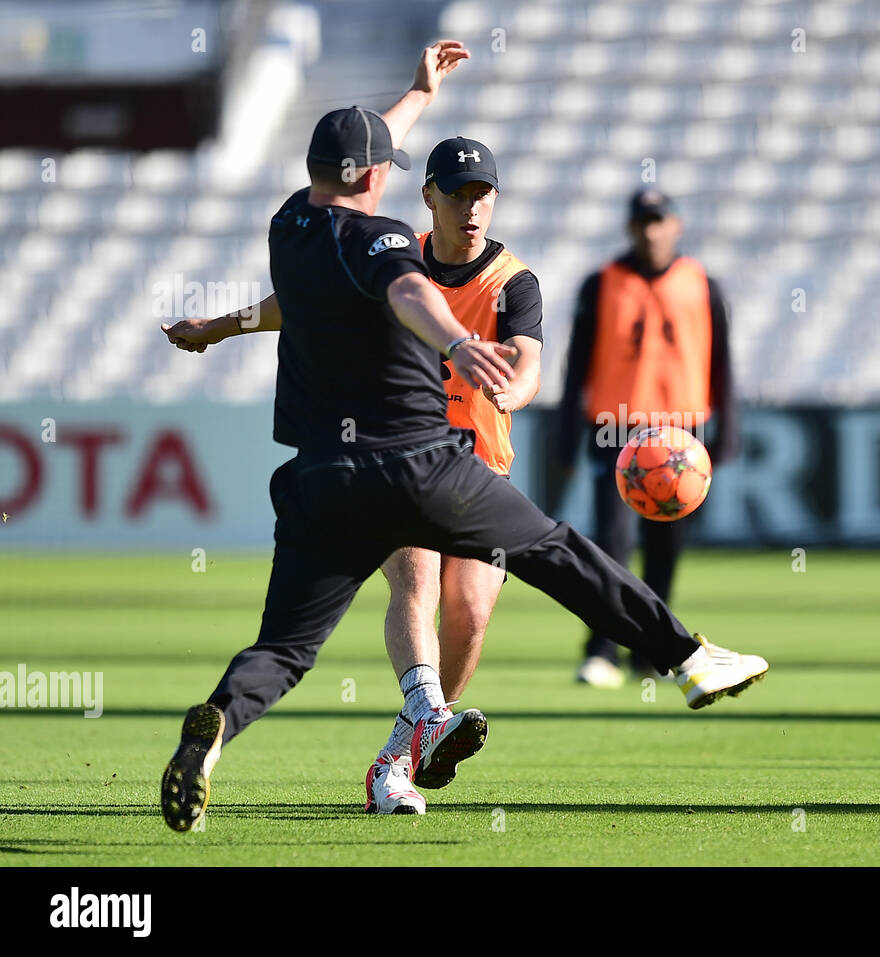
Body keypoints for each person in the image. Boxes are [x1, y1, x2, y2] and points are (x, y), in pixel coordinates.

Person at [158, 44, 768, 834]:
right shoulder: (386, 243)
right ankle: (686, 658)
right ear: (385, 181)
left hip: (320, 482)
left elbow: (307, 269)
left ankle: (218, 724)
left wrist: (416, 93)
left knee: (283, 648)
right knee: (554, 549)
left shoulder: (292, 226)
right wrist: (453, 342)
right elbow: (411, 289)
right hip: (419, 465)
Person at [163, 128, 543, 815]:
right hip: (400, 450)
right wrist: (220, 325)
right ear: (428, 196)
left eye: (483, 193)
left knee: (471, 611)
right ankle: (411, 748)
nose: (472, 206)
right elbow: (301, 304)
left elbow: (528, 359)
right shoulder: (390, 252)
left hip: (479, 466)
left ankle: (405, 744)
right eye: (458, 193)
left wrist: (511, 391)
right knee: (416, 581)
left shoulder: (512, 280)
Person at [556, 189, 738, 688]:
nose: (651, 231)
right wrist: (566, 437)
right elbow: (577, 367)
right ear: (630, 228)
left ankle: (649, 653)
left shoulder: (703, 284)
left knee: (665, 552)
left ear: (675, 224)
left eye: (659, 221)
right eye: (642, 222)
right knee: (610, 545)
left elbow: (721, 362)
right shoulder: (602, 284)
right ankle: (601, 651)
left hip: (683, 435)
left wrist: (728, 432)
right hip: (618, 429)